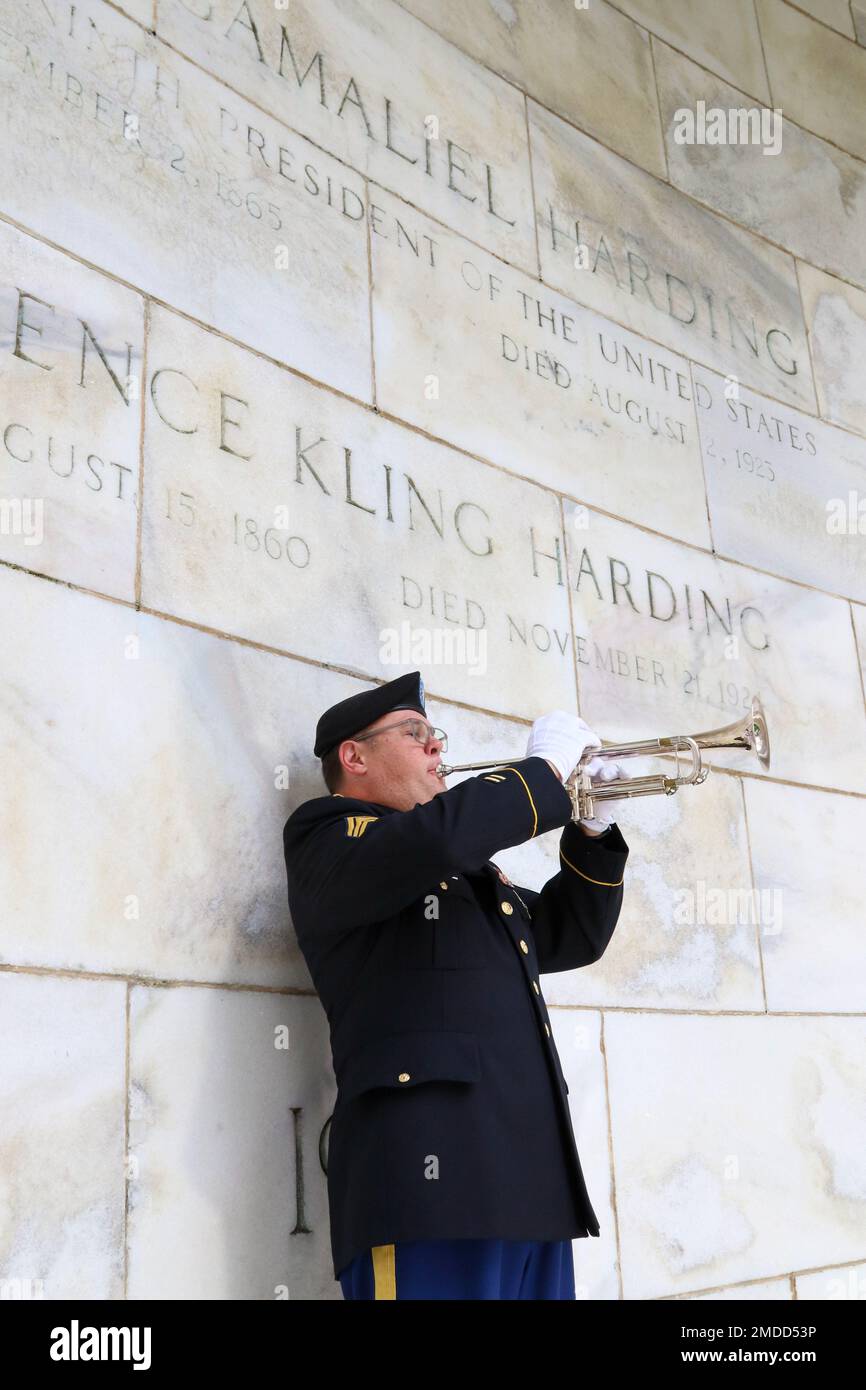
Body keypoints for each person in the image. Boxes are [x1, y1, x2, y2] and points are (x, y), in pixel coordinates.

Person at [283, 671, 630, 1299]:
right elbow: (434, 838)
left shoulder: (465, 874)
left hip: (533, 1190)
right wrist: (543, 774)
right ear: (353, 756)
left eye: (435, 735)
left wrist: (593, 831)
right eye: (415, 734)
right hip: (427, 1194)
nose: (437, 748)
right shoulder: (330, 839)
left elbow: (569, 934)